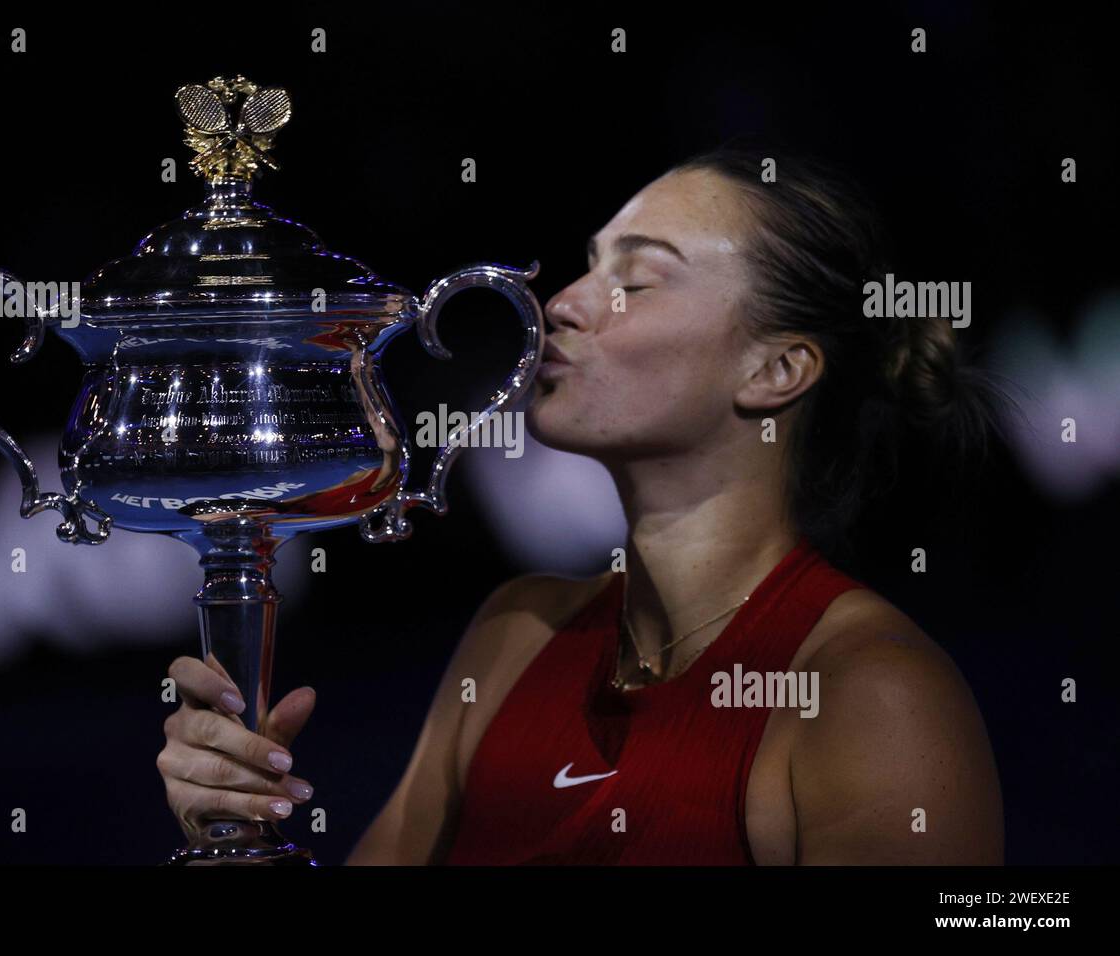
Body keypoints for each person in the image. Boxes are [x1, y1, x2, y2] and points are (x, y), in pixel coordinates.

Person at [156, 145, 1008, 864]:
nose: (561, 303)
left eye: (636, 279)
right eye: (591, 265)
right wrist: (234, 831)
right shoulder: (515, 634)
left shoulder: (872, 698)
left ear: (775, 370)